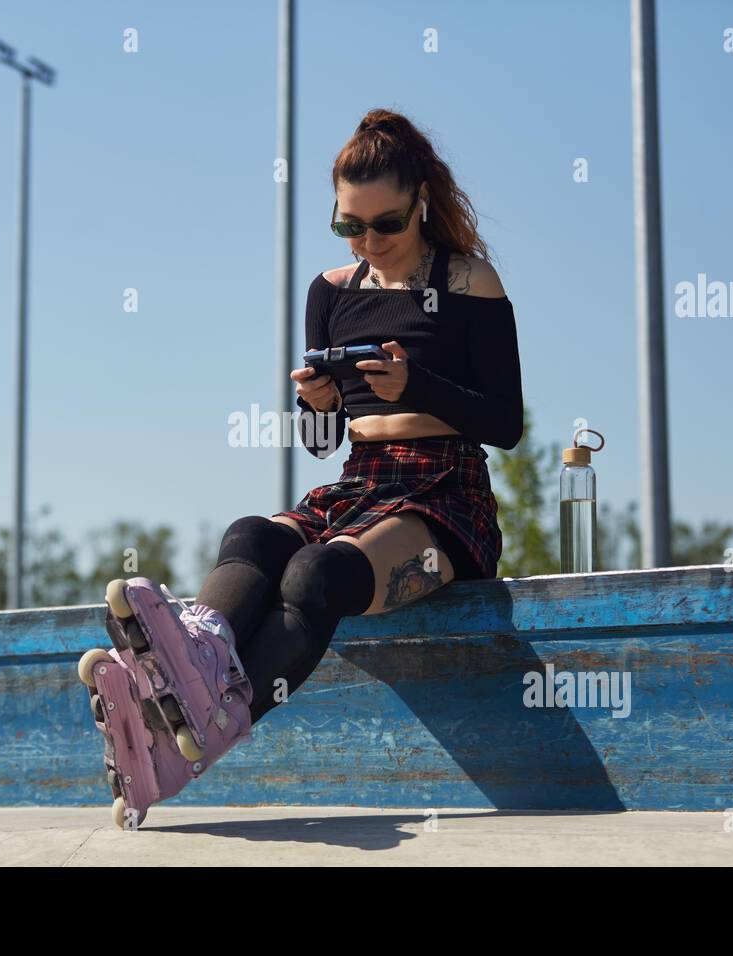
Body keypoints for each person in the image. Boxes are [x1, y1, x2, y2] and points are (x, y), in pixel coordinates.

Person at [197, 107, 524, 727]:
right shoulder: (330, 290)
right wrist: (315, 405)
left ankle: (215, 721)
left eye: (386, 225)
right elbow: (320, 443)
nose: (369, 242)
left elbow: (506, 424)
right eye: (350, 225)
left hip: (446, 494)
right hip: (359, 480)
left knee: (313, 576)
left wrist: (417, 385)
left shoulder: (469, 282)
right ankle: (184, 673)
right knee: (249, 535)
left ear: (421, 202)